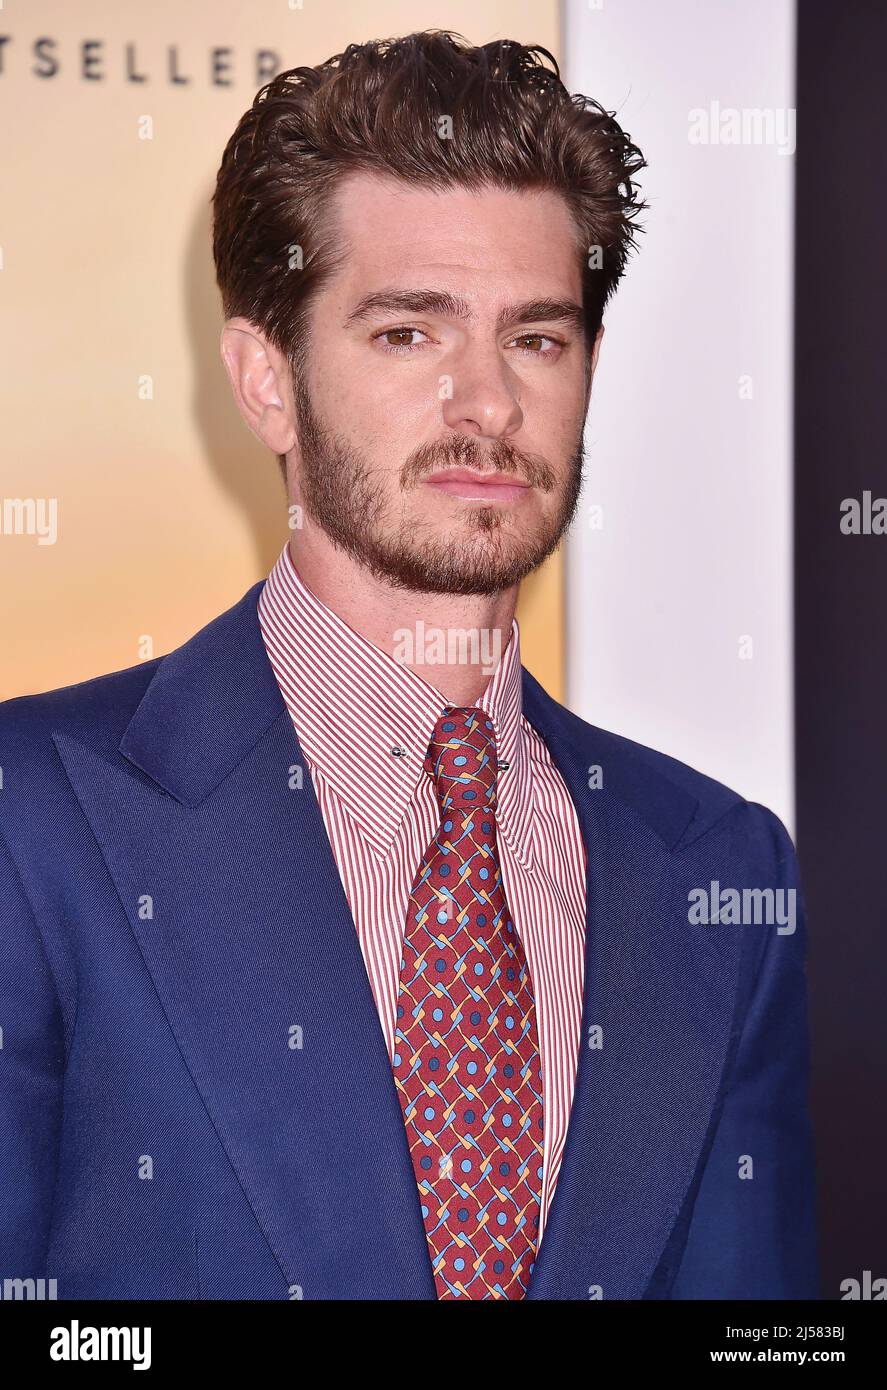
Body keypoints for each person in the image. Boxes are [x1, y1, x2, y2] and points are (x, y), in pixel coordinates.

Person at [0, 31, 817, 1301]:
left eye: (536, 339)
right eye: (406, 334)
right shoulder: (33, 819)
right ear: (266, 382)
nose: (484, 403)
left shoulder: (720, 868)